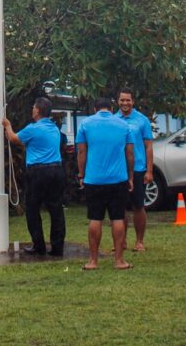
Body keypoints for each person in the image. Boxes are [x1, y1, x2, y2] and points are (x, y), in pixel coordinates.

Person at [76, 97, 136, 270]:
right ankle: (119, 260)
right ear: (111, 108)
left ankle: (93, 261)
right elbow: (130, 154)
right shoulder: (124, 125)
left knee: (95, 218)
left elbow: (81, 152)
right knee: (118, 218)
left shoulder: (85, 124)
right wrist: (130, 176)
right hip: (118, 178)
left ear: (95, 109)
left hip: (94, 179)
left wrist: (81, 174)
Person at [5, 97, 67, 257]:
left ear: (38, 110)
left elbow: (13, 138)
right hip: (56, 170)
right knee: (56, 209)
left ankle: (38, 245)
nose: (32, 110)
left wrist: (8, 126)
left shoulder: (33, 128)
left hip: (38, 172)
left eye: (33, 107)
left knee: (32, 208)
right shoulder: (54, 128)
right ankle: (57, 247)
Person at [117, 88, 155, 252]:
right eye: (122, 100)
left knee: (138, 206)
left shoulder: (142, 120)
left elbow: (148, 147)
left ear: (133, 102)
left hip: (138, 169)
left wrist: (149, 170)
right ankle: (121, 241)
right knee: (119, 208)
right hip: (118, 170)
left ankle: (139, 241)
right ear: (117, 102)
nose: (125, 103)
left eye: (128, 100)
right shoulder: (113, 120)